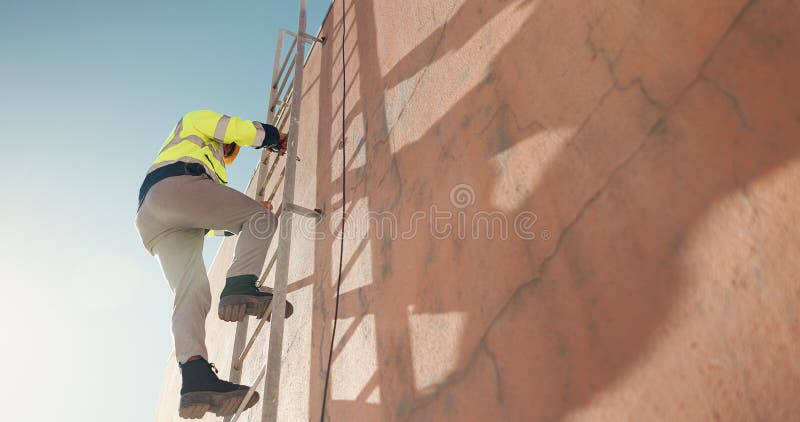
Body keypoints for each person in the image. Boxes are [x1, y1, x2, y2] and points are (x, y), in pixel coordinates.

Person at [135, 109, 292, 418]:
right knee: (261, 219)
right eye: (229, 145)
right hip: (176, 185)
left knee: (191, 292)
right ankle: (240, 286)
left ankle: (195, 377)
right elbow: (235, 127)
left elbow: (207, 222)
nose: (227, 149)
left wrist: (240, 213)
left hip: (153, 216)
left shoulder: (210, 168)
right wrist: (272, 137)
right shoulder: (195, 121)